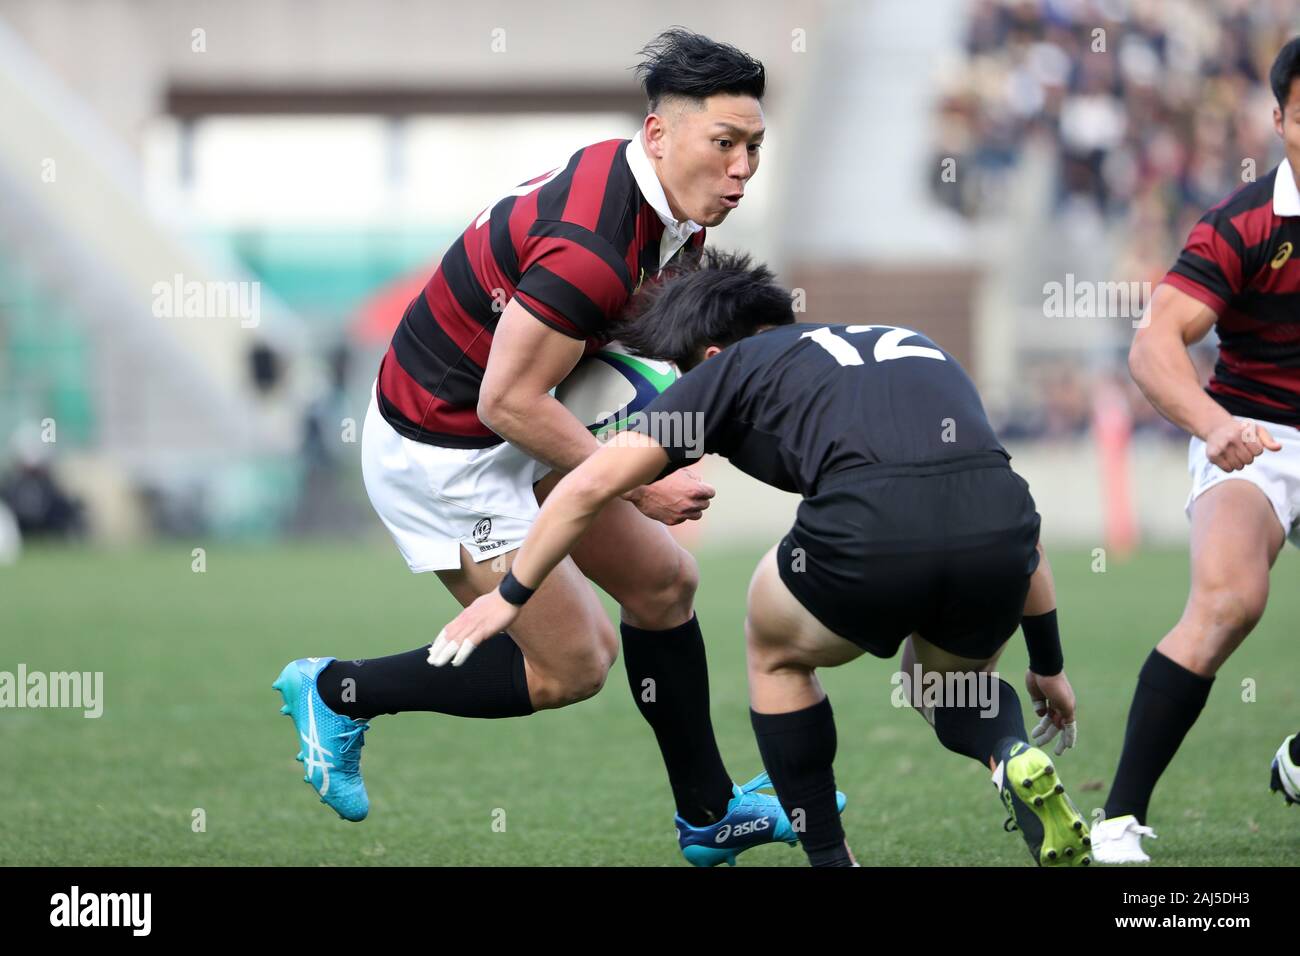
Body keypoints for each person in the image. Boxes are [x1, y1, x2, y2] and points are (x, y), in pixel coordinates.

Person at [271, 29, 826, 867]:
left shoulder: (667, 207)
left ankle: (710, 816)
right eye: (725, 145)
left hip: (510, 421)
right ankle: (339, 690)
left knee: (667, 582)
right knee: (574, 667)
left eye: (753, 146)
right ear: (659, 135)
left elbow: (641, 340)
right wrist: (637, 487)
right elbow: (508, 402)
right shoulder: (592, 247)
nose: (743, 168)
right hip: (444, 449)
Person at [436, 250, 1090, 867]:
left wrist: (511, 594)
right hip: (1001, 531)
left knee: (776, 651)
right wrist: (1049, 664)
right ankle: (1010, 755)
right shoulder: (915, 343)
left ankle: (831, 858)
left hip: (871, 534)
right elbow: (1007, 516)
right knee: (945, 687)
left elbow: (588, 485)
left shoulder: (730, 368)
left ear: (713, 353)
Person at [1093, 38, 1300, 863]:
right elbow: (1154, 346)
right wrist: (1214, 426)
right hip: (1257, 433)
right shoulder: (1242, 224)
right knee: (1228, 603)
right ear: (1281, 119)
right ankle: (1117, 820)